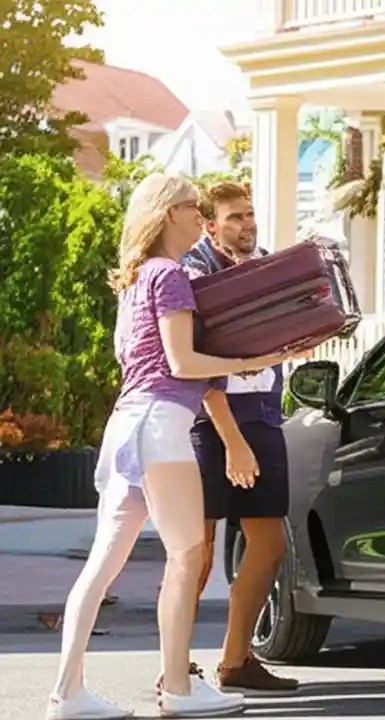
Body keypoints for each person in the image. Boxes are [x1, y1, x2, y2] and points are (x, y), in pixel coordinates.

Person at [46, 173, 303, 720]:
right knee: (187, 558)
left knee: (102, 566)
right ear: (168, 214)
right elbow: (183, 363)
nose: (198, 216)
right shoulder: (171, 277)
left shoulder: (137, 278)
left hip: (125, 427)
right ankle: (180, 692)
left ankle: (67, 694)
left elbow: (143, 361)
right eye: (191, 208)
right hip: (162, 428)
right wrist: (244, 365)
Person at [181, 181, 299, 694]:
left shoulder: (266, 265)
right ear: (210, 225)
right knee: (197, 551)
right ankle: (174, 662)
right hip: (210, 422)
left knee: (268, 543)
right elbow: (196, 367)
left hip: (263, 415)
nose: (247, 224)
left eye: (250, 214)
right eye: (234, 217)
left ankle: (235, 661)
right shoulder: (193, 274)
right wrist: (232, 441)